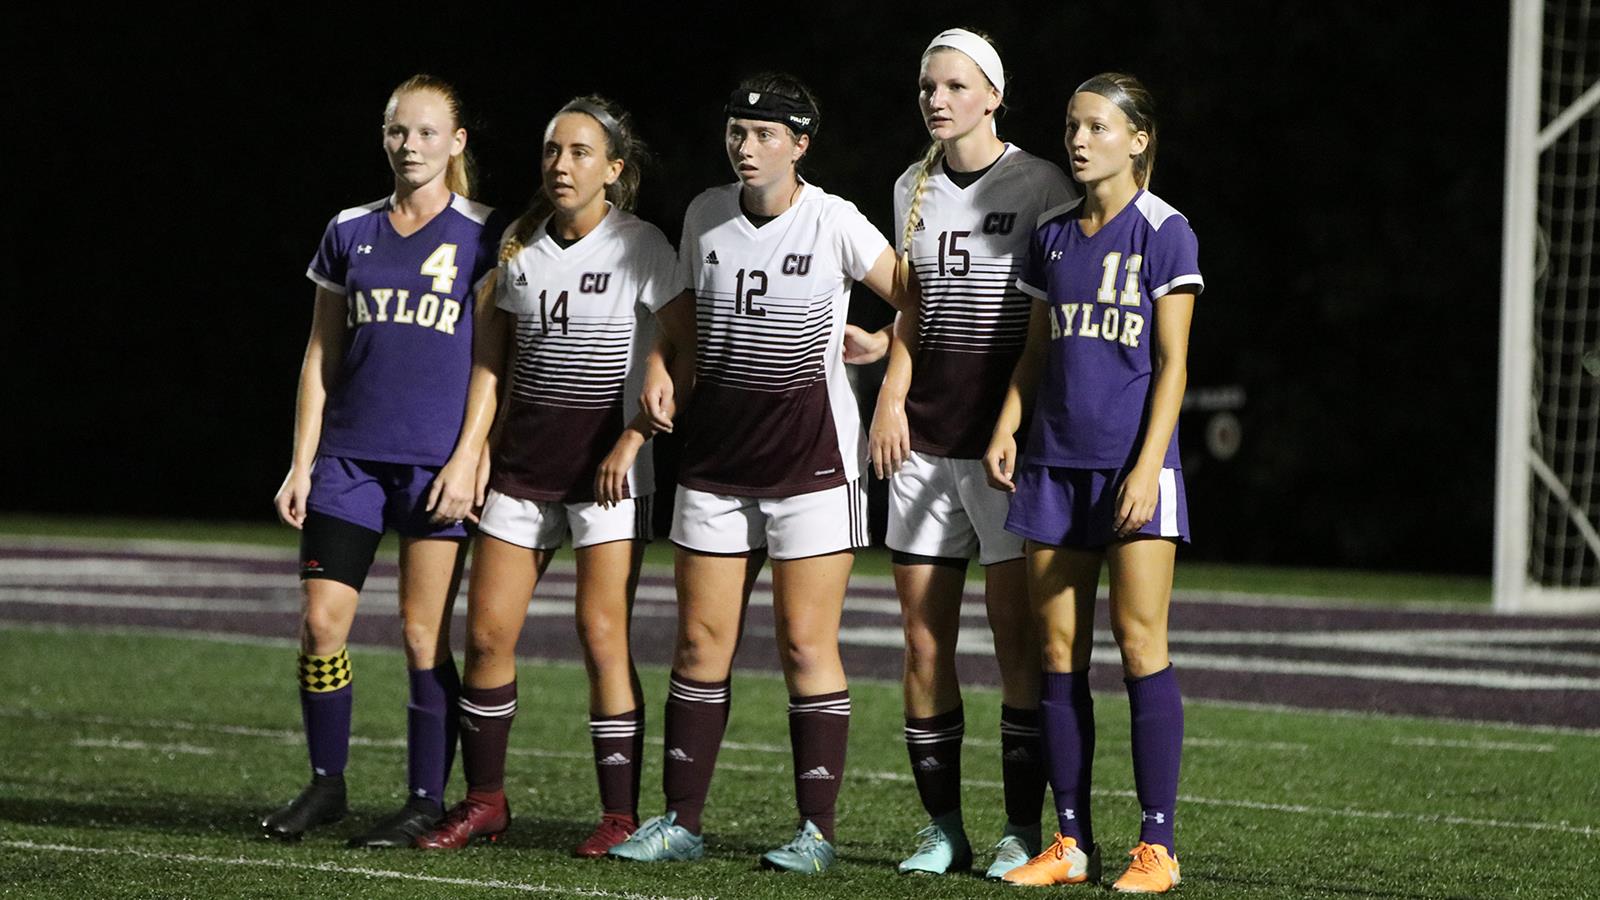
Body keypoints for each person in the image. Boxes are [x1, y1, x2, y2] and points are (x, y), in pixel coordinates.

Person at [606, 73, 913, 875]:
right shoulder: (706, 215)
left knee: (806, 647)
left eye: (766, 135)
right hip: (713, 463)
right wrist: (666, 371)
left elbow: (922, 297)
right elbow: (687, 328)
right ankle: (681, 821)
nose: (747, 147)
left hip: (813, 467)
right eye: (739, 132)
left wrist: (882, 350)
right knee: (700, 645)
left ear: (801, 144)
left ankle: (817, 832)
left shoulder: (835, 220)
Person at [410, 97, 677, 855]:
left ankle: (620, 815)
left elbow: (680, 348)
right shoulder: (517, 243)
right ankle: (485, 802)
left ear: (614, 170)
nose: (562, 165)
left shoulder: (642, 245)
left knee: (602, 638)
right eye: (553, 151)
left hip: (606, 478)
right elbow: (491, 356)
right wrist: (474, 446)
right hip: (523, 470)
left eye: (582, 153)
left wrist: (632, 441)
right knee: (488, 635)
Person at [858, 28, 1077, 880]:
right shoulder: (910, 184)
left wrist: (1016, 423)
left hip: (1000, 449)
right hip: (924, 443)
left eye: (954, 86)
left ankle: (1022, 831)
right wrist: (889, 394)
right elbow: (913, 310)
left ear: (992, 95)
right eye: (927, 88)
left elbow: (1041, 322)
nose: (937, 100)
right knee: (922, 642)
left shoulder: (1040, 185)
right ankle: (942, 829)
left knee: (1016, 645)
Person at [262, 74, 502, 847]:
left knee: (420, 634)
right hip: (349, 463)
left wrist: (471, 456)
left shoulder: (487, 234)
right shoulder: (348, 229)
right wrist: (303, 462)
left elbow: (496, 361)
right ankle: (327, 784)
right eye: (400, 131)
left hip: (434, 467)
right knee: (320, 623)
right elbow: (320, 354)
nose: (411, 145)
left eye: (428, 132)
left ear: (457, 142)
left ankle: (426, 799)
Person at [983, 72, 1201, 894]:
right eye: (1073, 125)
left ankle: (1158, 847)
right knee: (1056, 655)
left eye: (1098, 127)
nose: (1078, 139)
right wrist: (1009, 423)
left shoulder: (1166, 230)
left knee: (1140, 646)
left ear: (1138, 140)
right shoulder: (1051, 235)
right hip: (1053, 464)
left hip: (1133, 467)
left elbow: (1175, 365)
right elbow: (1036, 354)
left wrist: (1148, 466)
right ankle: (1071, 841)